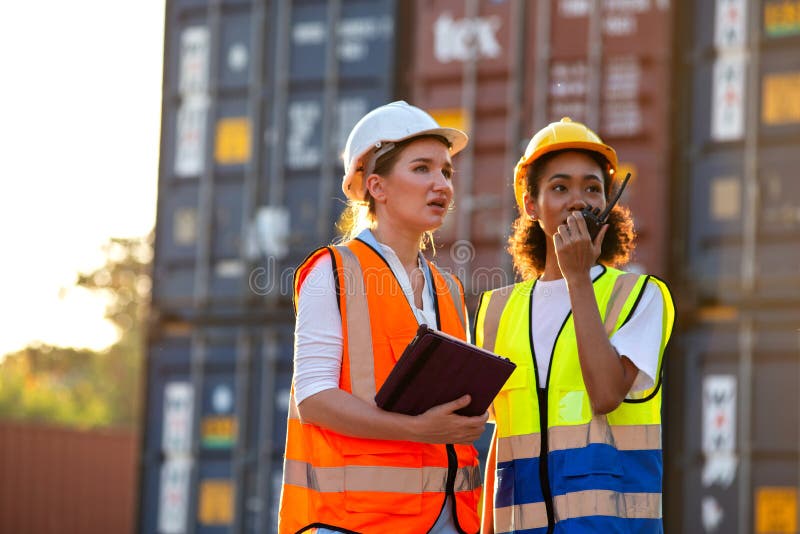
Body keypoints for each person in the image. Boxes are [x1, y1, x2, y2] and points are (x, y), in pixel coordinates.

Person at [278, 101, 487, 534]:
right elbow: (314, 398)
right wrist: (419, 430)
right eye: (422, 169)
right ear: (377, 186)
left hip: (451, 520)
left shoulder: (447, 288)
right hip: (356, 521)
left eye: (446, 172)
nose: (441, 184)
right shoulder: (332, 271)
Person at [475, 117, 675, 533]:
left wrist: (578, 277)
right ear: (531, 205)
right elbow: (502, 441)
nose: (579, 200)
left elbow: (605, 395)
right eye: (560, 187)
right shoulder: (497, 311)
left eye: (593, 188)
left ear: (609, 201)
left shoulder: (640, 297)